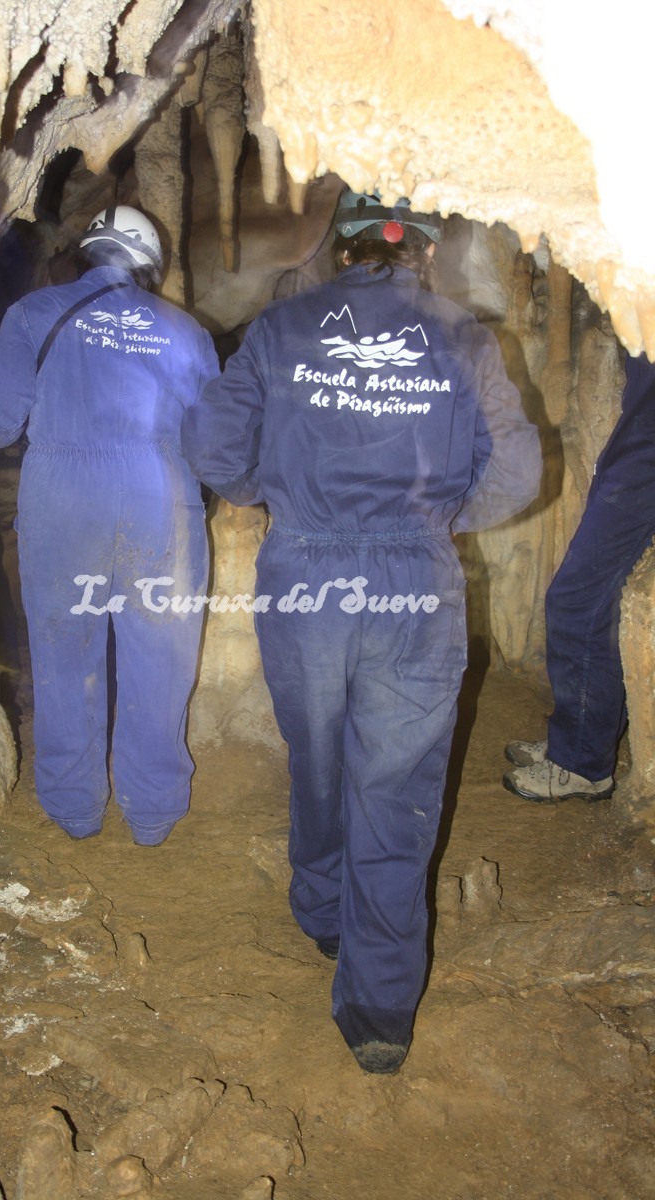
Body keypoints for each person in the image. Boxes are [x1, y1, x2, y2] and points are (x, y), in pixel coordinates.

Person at [181, 190, 541, 1073]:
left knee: (318, 752)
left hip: (306, 573)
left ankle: (320, 913)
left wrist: (281, 499)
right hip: (413, 582)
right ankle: (379, 1012)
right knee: (397, 780)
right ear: (423, 249)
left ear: (339, 249)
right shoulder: (465, 336)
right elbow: (519, 467)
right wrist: (441, 520)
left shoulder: (281, 328)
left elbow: (212, 442)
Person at [0, 205, 219, 844]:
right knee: (161, 654)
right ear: (148, 261)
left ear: (87, 253)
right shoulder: (186, 329)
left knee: (63, 652)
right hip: (160, 497)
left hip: (63, 495)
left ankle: (75, 807)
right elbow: (215, 441)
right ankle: (153, 811)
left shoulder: (33, 313)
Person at [504, 349, 655, 802]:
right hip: (638, 446)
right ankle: (580, 739)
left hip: (646, 460)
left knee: (577, 601)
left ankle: (582, 764)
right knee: (591, 603)